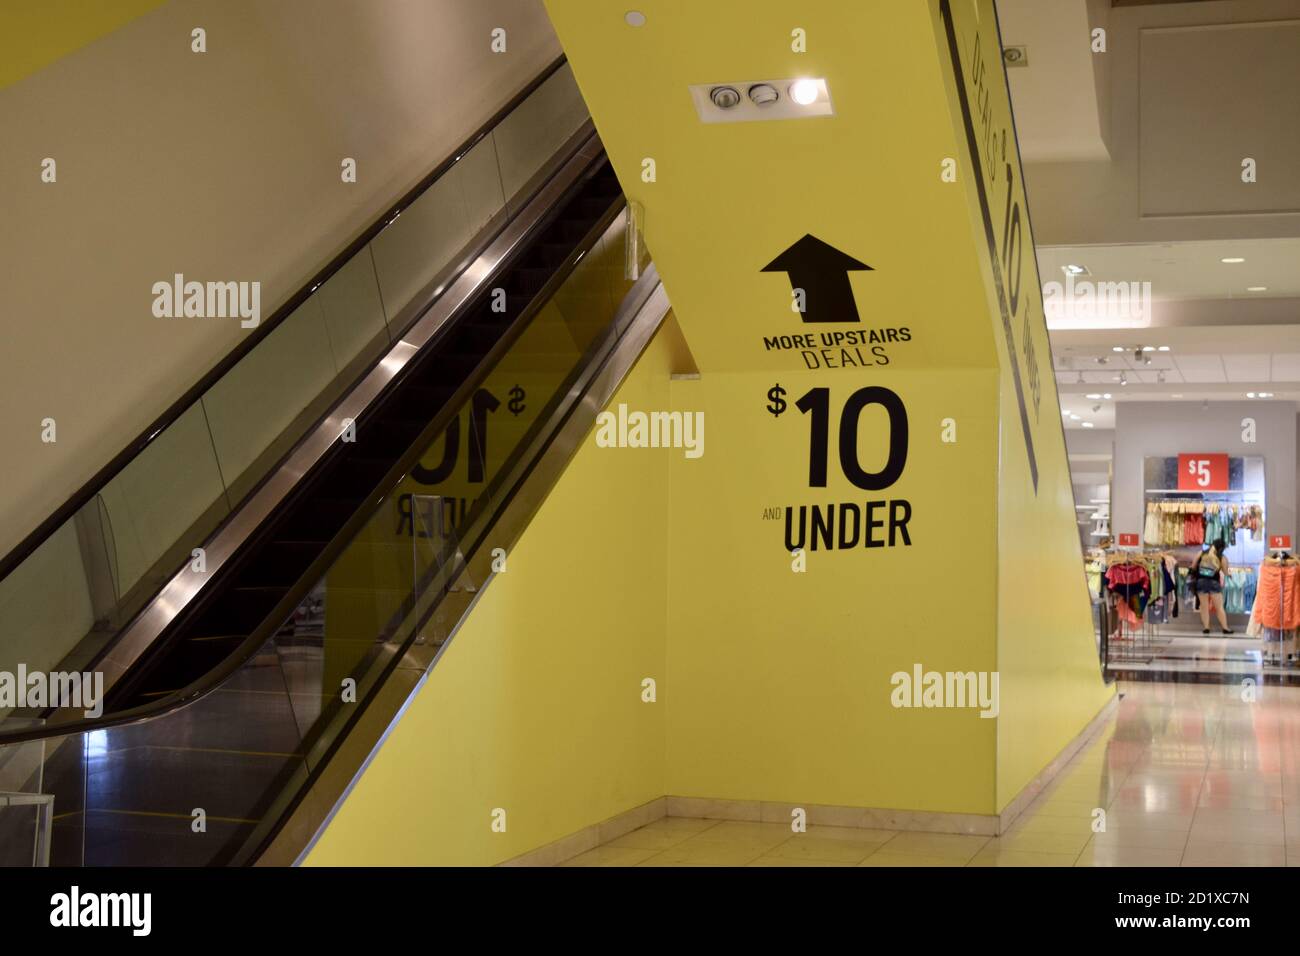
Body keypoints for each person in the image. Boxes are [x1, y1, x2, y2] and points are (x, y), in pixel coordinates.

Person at [1193, 539, 1233, 635]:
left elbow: (1193, 566)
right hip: (1214, 583)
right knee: (1219, 607)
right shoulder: (1221, 557)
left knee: (1204, 607)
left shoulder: (1201, 553)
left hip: (1201, 582)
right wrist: (1229, 574)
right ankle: (1225, 628)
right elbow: (1225, 571)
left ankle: (1206, 628)